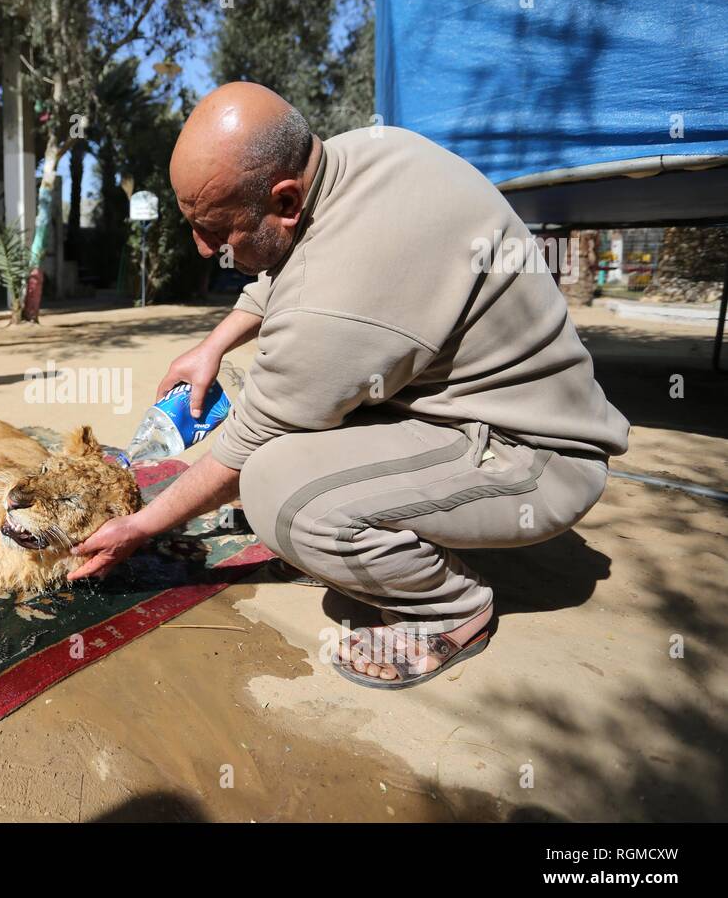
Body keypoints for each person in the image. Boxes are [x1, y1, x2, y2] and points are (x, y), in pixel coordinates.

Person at [68, 82, 629, 689]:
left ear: (284, 199)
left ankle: (449, 609)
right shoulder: (355, 158)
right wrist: (212, 347)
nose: (203, 248)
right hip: (471, 405)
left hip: (530, 456)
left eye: (215, 230)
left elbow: (247, 443)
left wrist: (143, 526)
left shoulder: (331, 305)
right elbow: (284, 268)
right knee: (280, 419)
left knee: (278, 490)